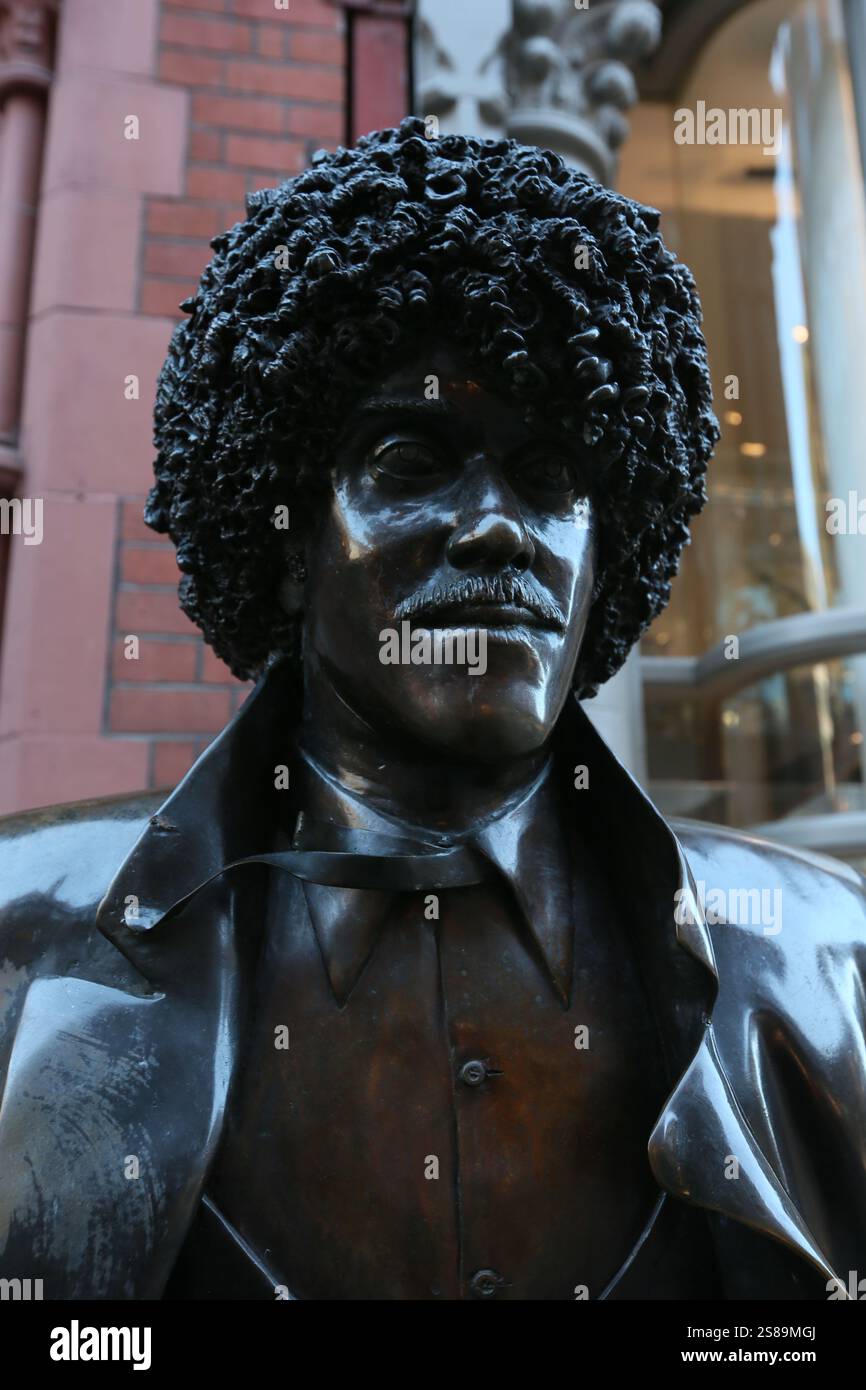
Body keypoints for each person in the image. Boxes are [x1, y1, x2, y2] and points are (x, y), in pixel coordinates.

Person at [1, 119, 864, 1301]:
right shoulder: (24, 932)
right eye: (411, 458)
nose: (499, 528)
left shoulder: (823, 950)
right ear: (291, 535)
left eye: (552, 475)